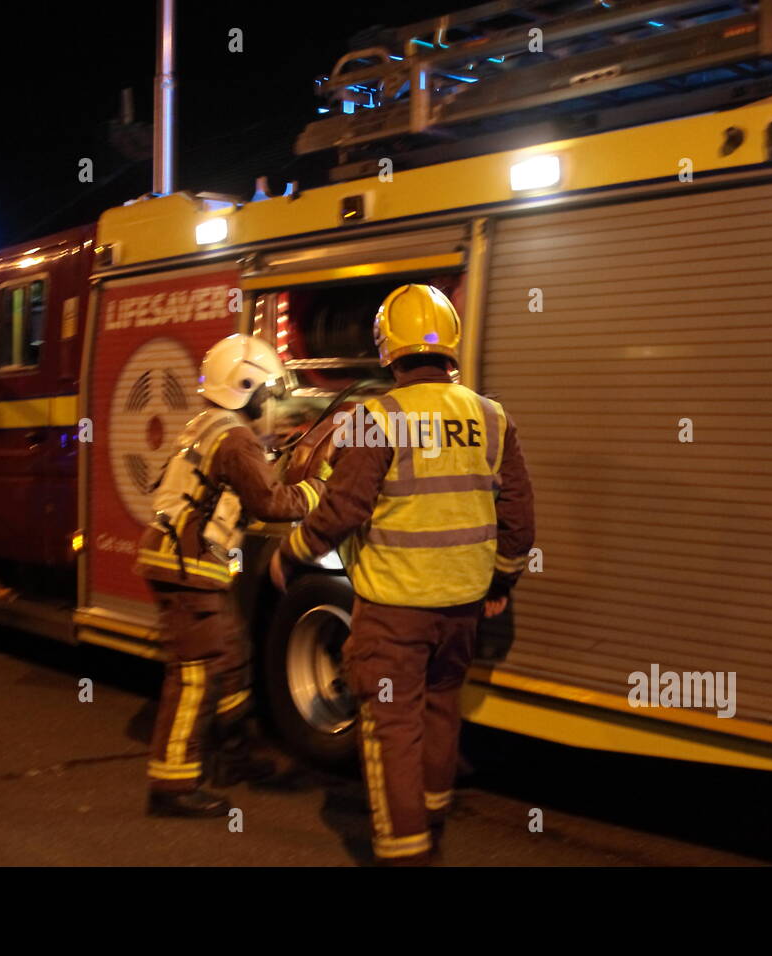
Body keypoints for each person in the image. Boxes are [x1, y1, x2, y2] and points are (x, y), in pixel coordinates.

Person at [269, 284, 535, 864]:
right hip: (460, 610)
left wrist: (290, 553)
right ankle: (432, 820)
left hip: (393, 613)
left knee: (391, 726)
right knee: (441, 712)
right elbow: (518, 520)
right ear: (451, 345)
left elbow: (344, 508)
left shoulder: (376, 417)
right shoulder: (491, 416)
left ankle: (404, 851)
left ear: (387, 349)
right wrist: (501, 583)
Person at [136, 333, 326, 818]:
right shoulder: (234, 436)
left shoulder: (213, 425)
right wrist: (318, 491)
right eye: (270, 395)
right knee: (195, 673)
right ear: (249, 389)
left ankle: (235, 752)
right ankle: (172, 785)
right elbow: (269, 502)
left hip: (185, 562)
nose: (274, 406)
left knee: (232, 654)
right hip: (187, 568)